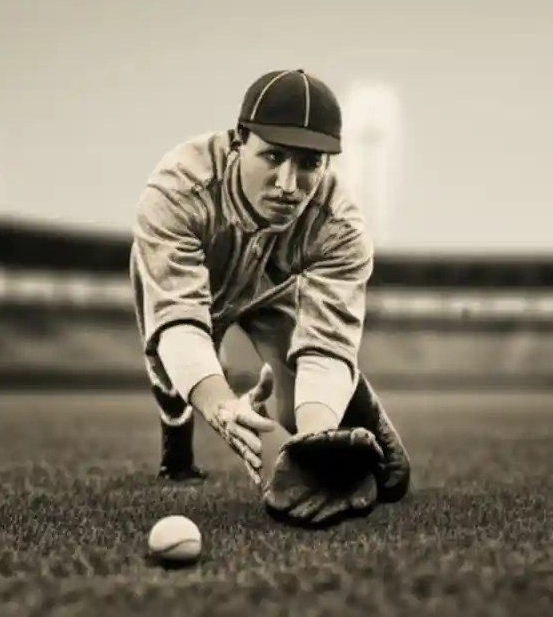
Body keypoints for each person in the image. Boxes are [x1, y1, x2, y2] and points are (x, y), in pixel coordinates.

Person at [129, 68, 410, 526]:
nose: (287, 184)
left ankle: (360, 404)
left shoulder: (339, 226)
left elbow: (326, 342)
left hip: (272, 289)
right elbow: (178, 321)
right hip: (193, 290)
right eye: (273, 155)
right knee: (169, 378)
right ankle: (176, 452)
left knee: (302, 412)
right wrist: (225, 410)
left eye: (309, 163)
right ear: (239, 141)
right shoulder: (176, 189)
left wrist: (317, 440)